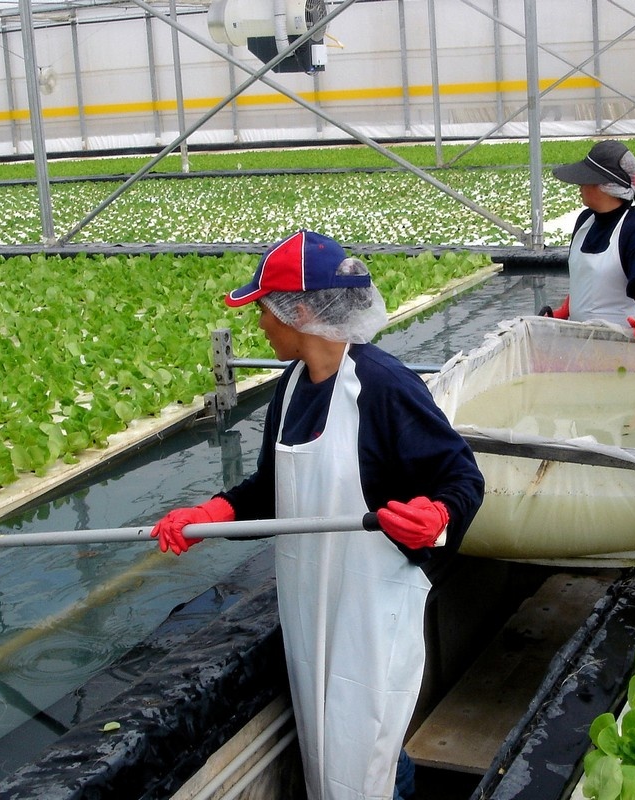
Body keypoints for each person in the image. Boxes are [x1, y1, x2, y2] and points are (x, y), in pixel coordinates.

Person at [150, 230, 485, 800]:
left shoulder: (381, 386)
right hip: (311, 603)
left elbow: (462, 477)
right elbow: (271, 490)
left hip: (371, 609)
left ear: (300, 310)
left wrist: (437, 514)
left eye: (264, 309)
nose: (259, 324)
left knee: (367, 750)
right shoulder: (291, 387)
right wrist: (209, 514)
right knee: (334, 747)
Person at [541, 139, 635, 345]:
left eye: (585, 180)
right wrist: (566, 309)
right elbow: (586, 278)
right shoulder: (585, 221)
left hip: (626, 343)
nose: (579, 186)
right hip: (584, 343)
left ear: (606, 187)